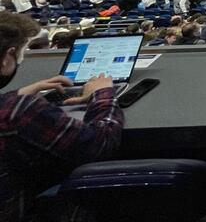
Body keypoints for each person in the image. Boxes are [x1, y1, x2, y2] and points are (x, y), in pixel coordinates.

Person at [0, 12, 123, 221]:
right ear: (6, 58)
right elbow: (99, 143)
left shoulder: (12, 106)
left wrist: (17, 94)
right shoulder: (19, 112)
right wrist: (102, 94)